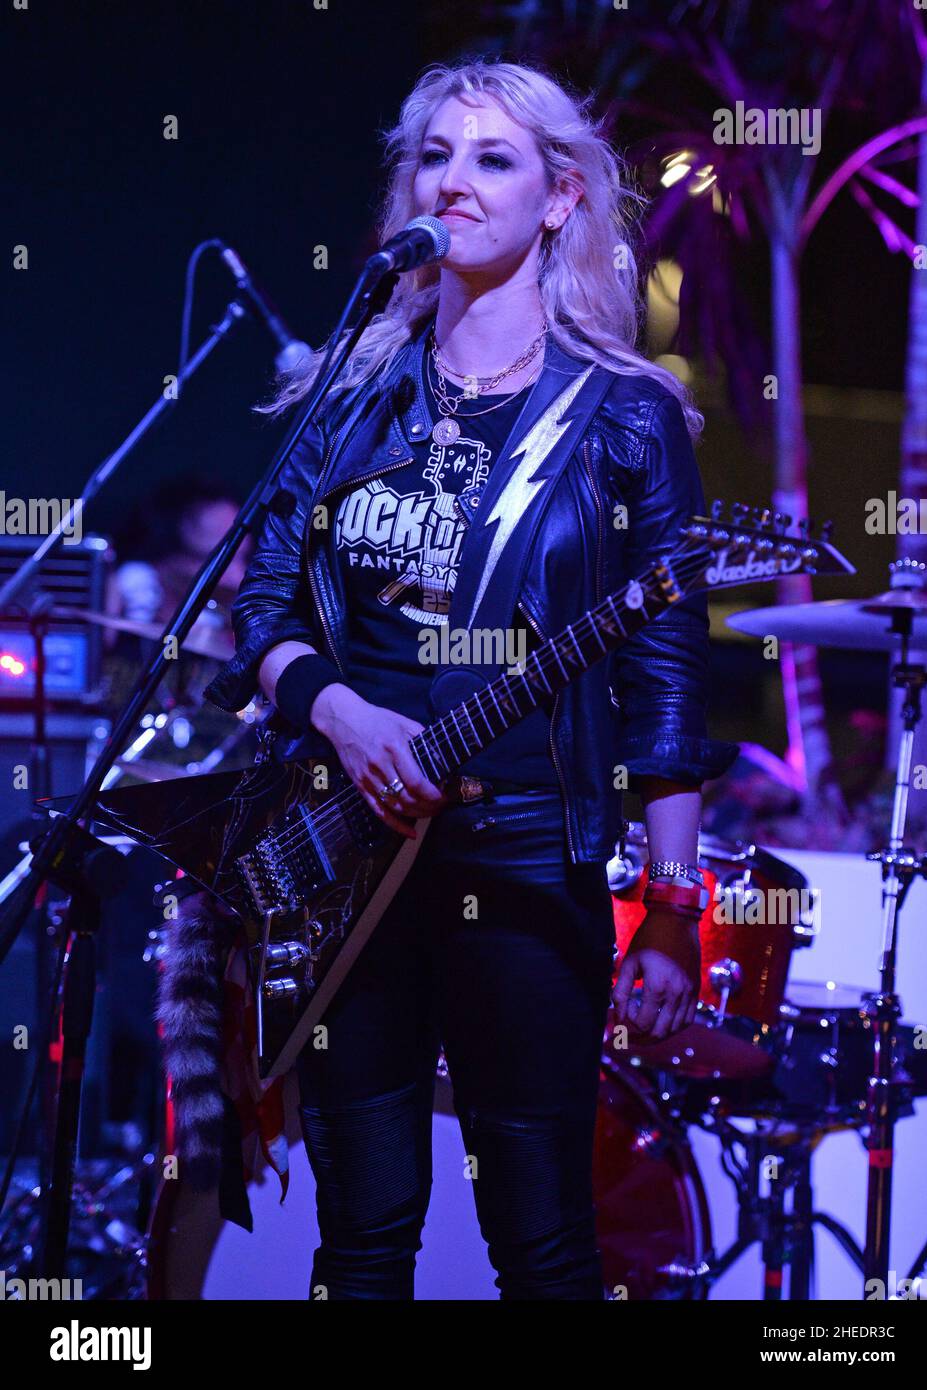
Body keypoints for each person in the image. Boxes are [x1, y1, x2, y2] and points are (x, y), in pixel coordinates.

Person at [206, 57, 737, 1301]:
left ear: (559, 198)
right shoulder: (344, 395)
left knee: (544, 1240)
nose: (455, 179)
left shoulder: (623, 417)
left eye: (492, 158)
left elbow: (669, 676)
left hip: (525, 860)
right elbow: (260, 603)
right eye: (435, 155)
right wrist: (334, 707)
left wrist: (670, 903)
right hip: (343, 857)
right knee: (363, 1237)